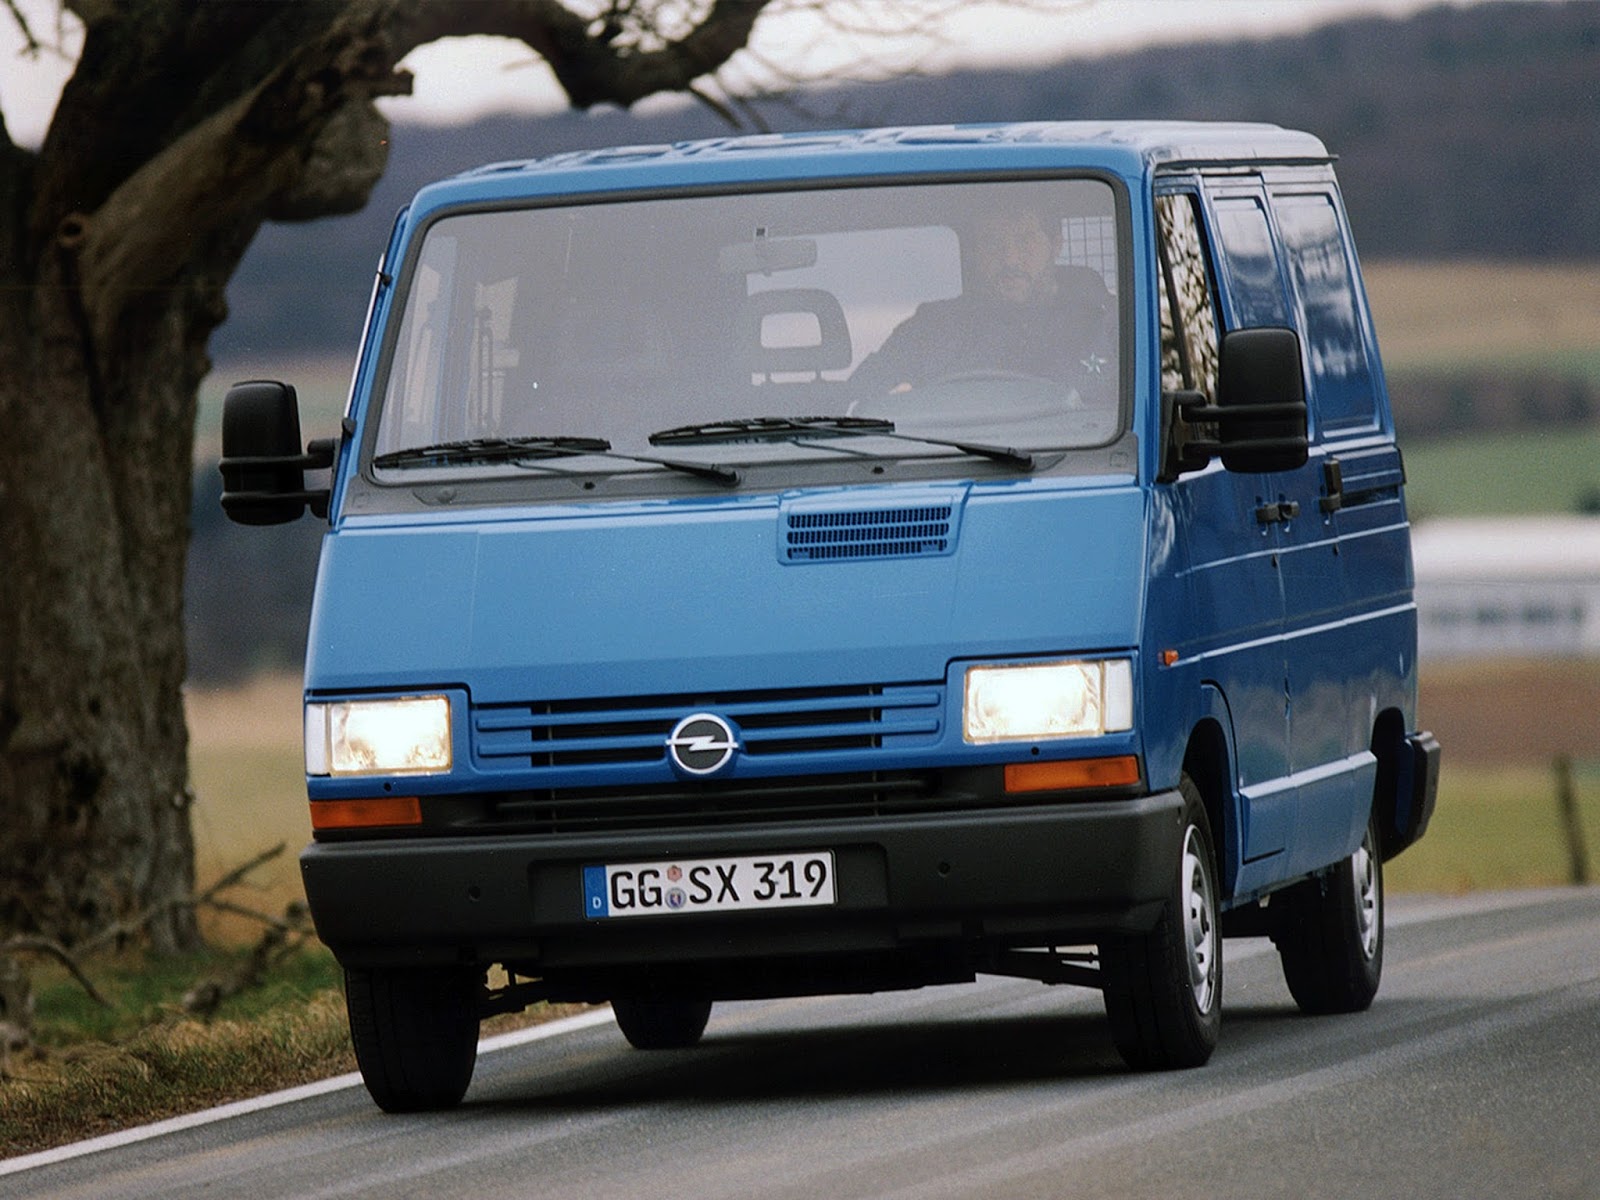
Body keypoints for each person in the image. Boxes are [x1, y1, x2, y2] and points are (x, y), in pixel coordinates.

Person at [850, 206, 1115, 399]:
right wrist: (898, 402)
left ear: (1055, 244)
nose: (1009, 259)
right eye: (992, 241)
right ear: (974, 252)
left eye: (1025, 240)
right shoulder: (931, 328)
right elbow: (857, 399)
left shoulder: (1109, 324)